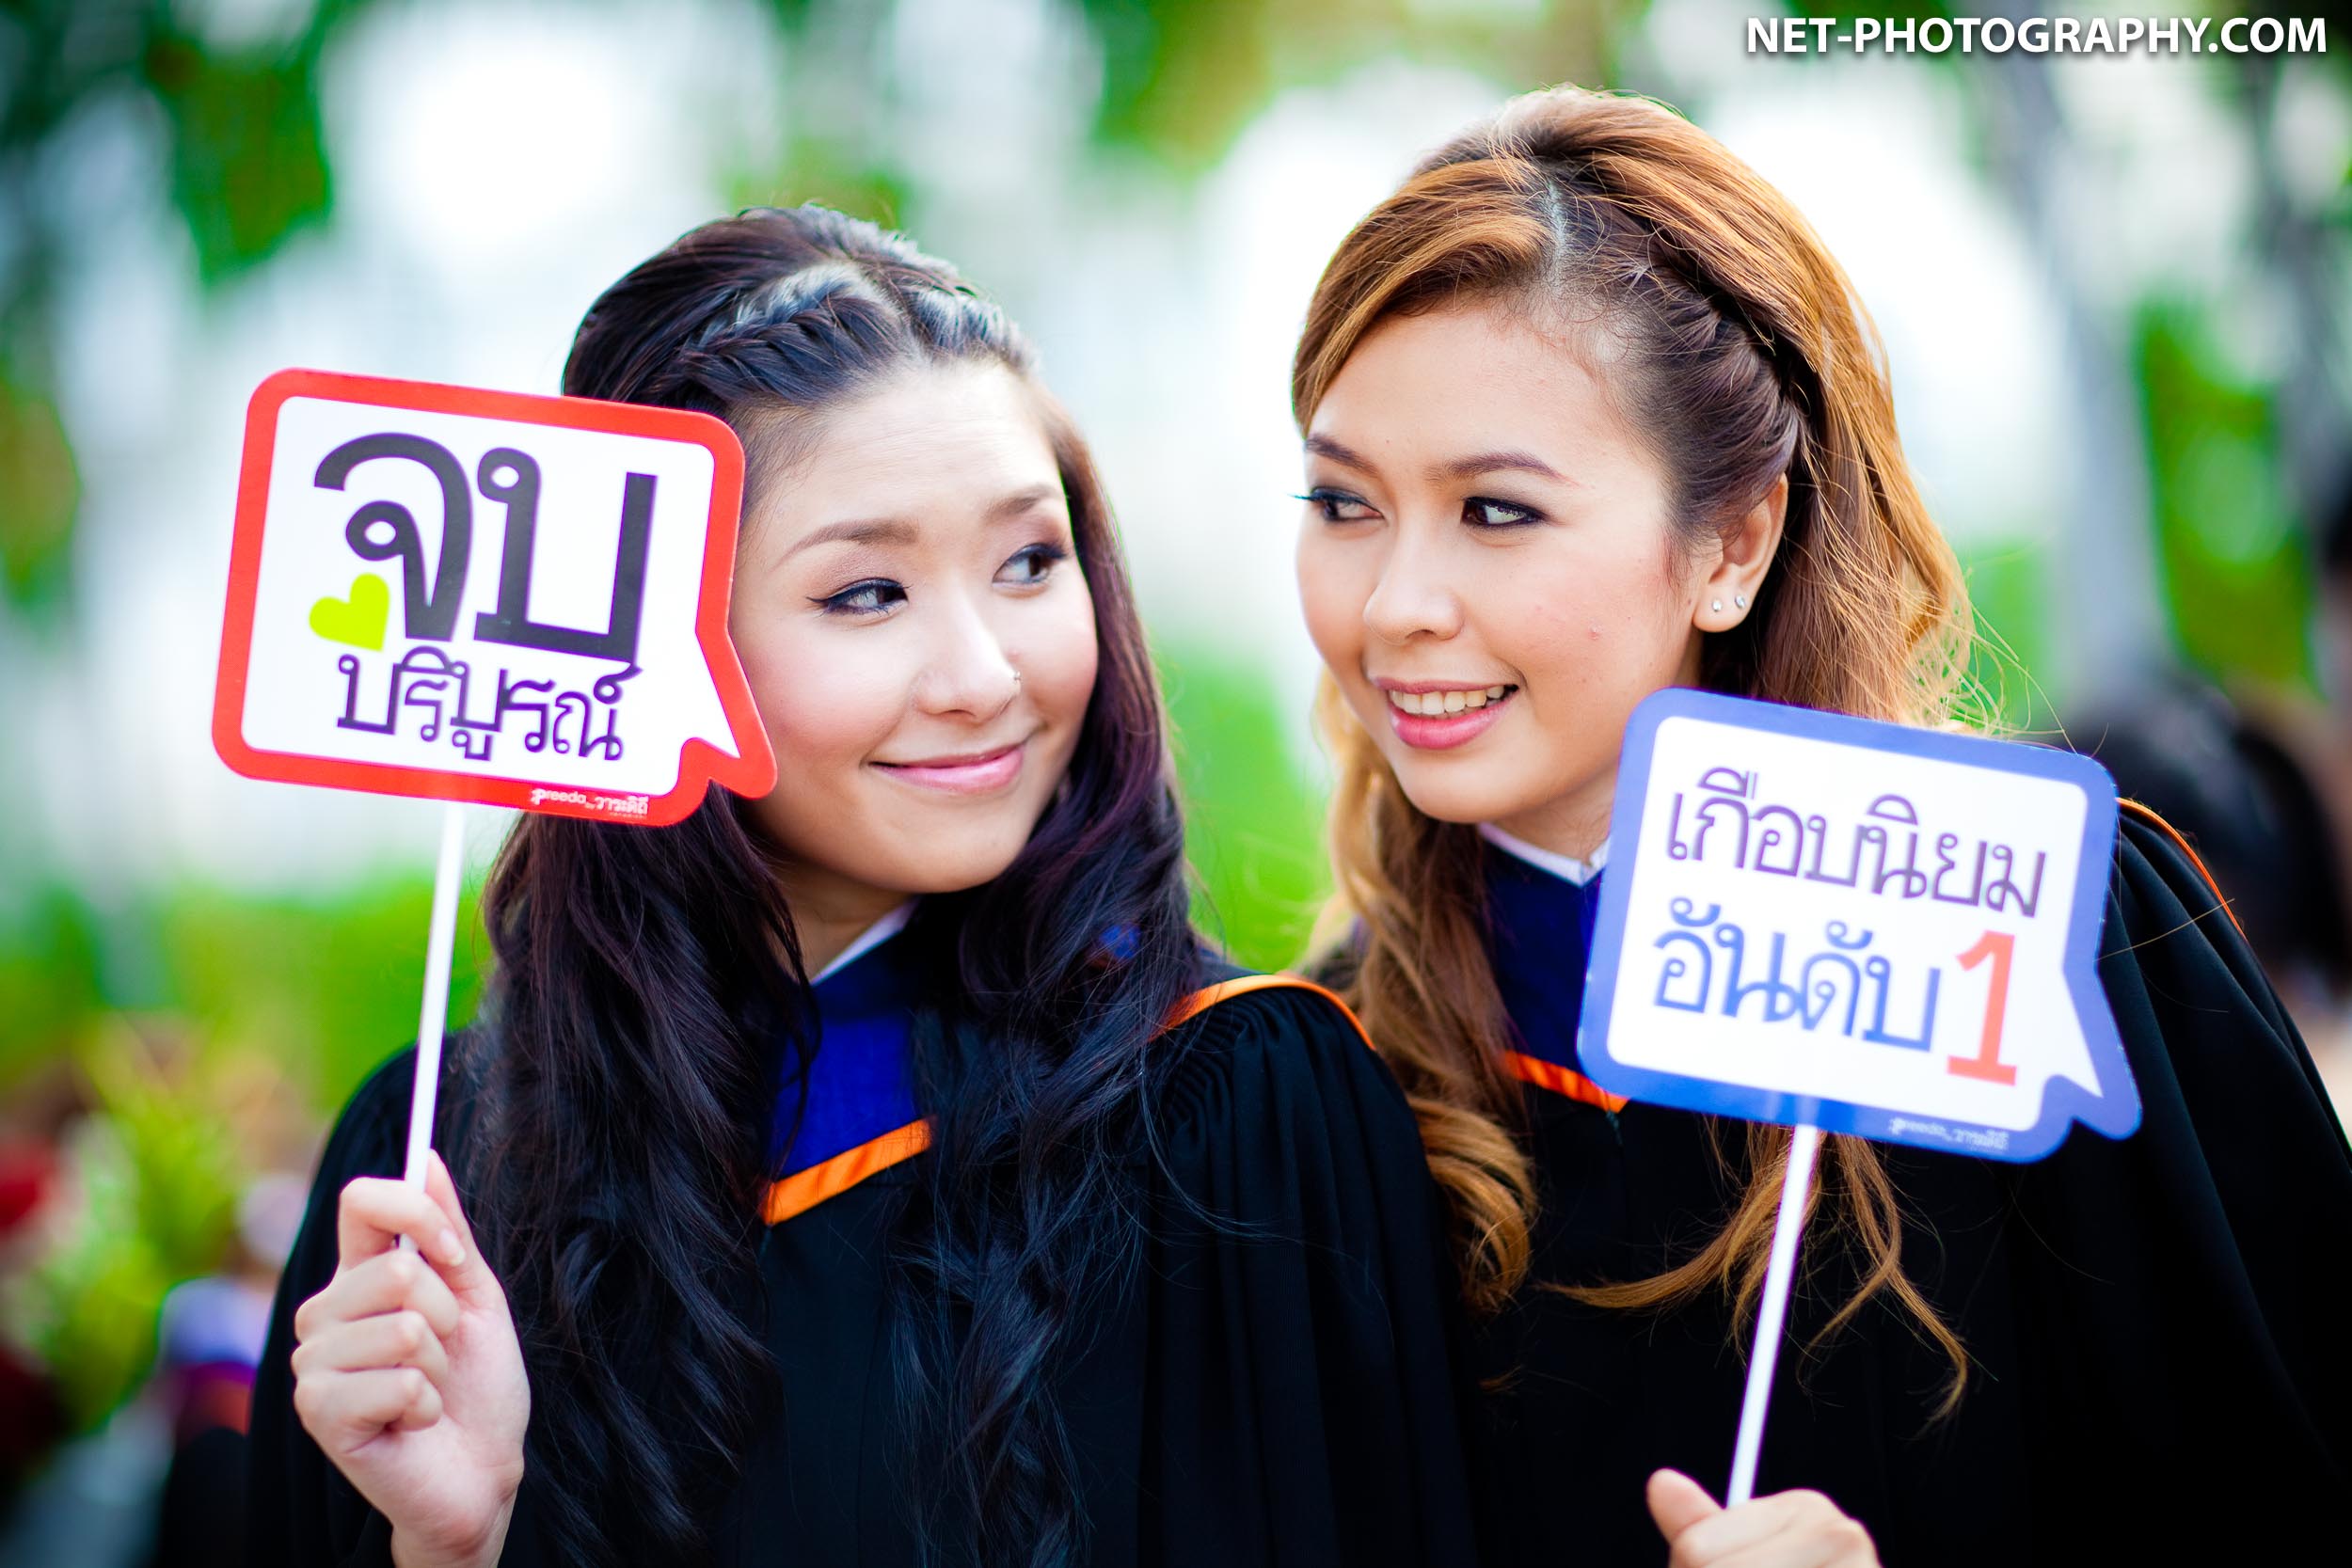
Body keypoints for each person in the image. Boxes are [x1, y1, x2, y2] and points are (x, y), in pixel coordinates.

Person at [246, 206, 1477, 1568]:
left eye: (1029, 562)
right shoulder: (432, 1179)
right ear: (661, 645)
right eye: (866, 594)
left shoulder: (1232, 1112)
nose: (980, 676)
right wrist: (453, 1543)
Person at [1290, 86, 2352, 1566]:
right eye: (1342, 504)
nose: (1395, 603)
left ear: (1732, 541)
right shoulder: (1308, 1086)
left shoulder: (2050, 945)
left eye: (1496, 512)